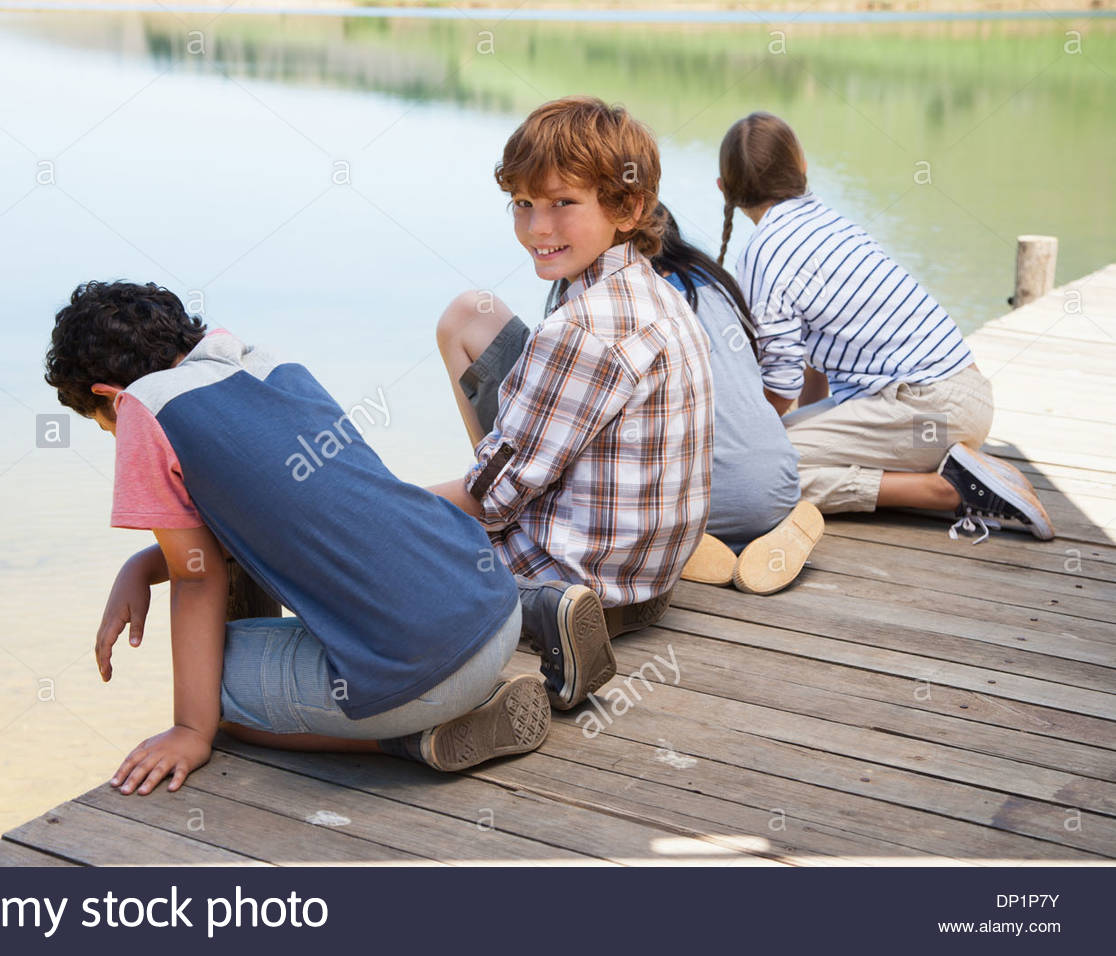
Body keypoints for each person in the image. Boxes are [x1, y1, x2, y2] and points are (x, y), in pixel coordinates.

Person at [43, 281, 554, 796]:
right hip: (496, 609)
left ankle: (417, 740)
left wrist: (190, 730)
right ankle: (528, 629)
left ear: (107, 396)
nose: (113, 434)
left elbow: (197, 576)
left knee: (212, 688)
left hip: (429, 682)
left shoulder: (142, 409)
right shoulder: (267, 365)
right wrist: (141, 566)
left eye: (102, 425)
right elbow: (281, 516)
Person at [429, 96, 714, 649]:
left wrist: (370, 507)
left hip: (579, 587)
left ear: (628, 209)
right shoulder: (653, 288)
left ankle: (537, 617)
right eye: (522, 203)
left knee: (371, 559)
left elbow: (488, 499)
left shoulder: (583, 329)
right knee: (470, 314)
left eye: (563, 202)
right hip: (649, 579)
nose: (538, 227)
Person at [716, 111, 1053, 542]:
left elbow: (781, 388)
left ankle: (943, 489)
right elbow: (808, 363)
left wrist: (748, 442)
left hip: (922, 406)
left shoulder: (764, 251)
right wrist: (801, 425)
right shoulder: (829, 221)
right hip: (961, 397)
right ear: (802, 171)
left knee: (758, 471)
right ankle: (955, 462)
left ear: (724, 189)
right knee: (773, 448)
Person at [651, 204, 823, 594]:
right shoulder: (714, 281)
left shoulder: (625, 301)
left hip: (699, 507)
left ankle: (688, 544)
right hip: (779, 489)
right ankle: (770, 531)